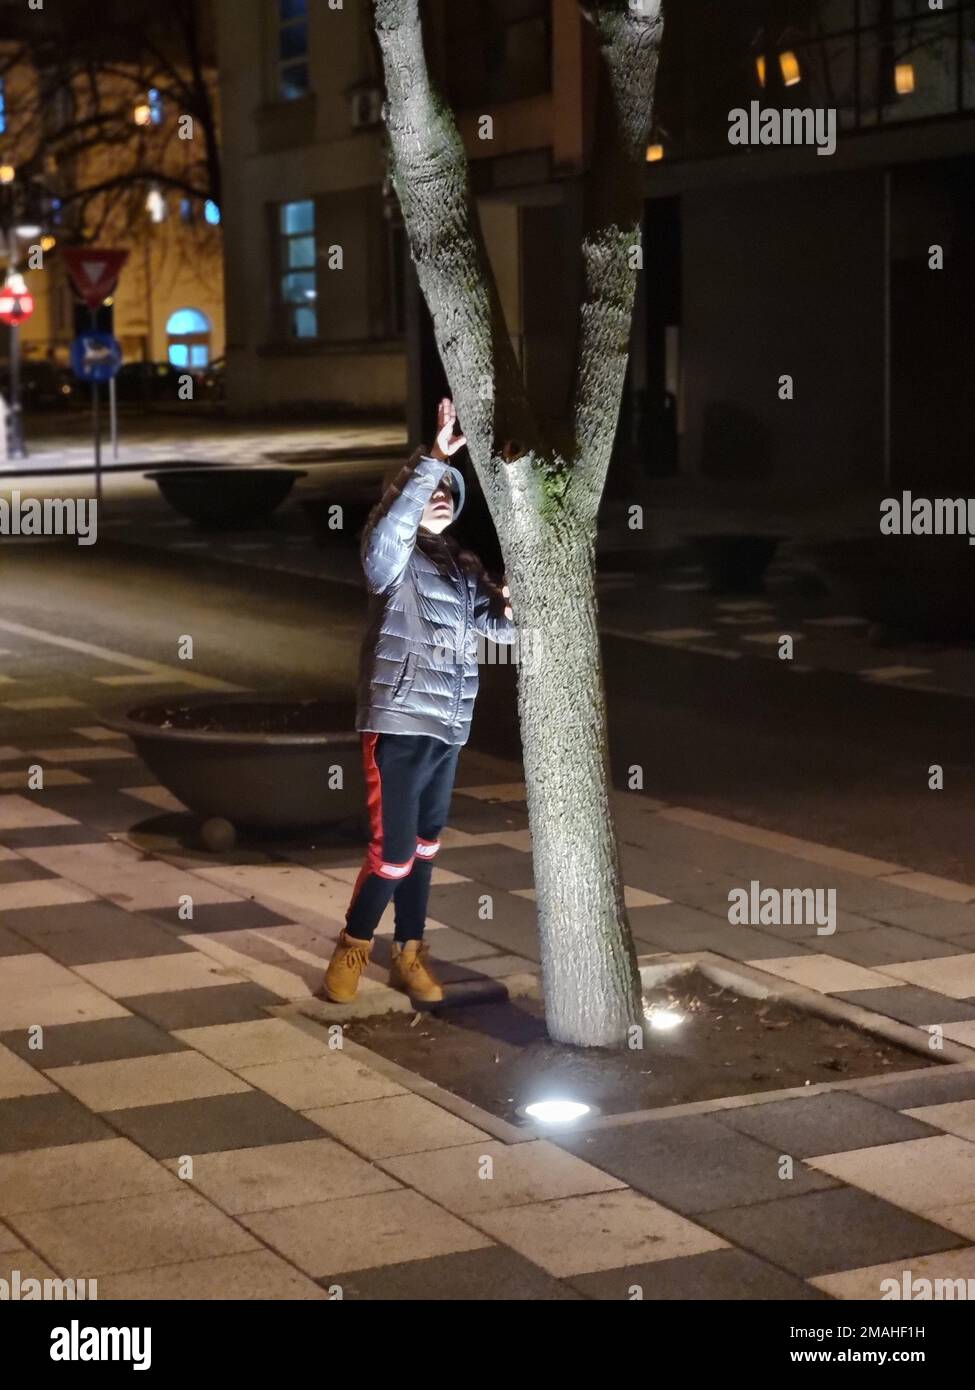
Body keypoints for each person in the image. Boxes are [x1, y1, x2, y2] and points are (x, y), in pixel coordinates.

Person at [322, 398, 516, 1005]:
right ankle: (354, 945)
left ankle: (410, 953)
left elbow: (500, 631)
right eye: (428, 489)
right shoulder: (390, 557)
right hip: (400, 719)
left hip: (449, 725)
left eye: (447, 491)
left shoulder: (463, 565)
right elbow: (393, 526)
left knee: (426, 846)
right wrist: (432, 459)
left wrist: (514, 605)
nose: (439, 495)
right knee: (394, 852)